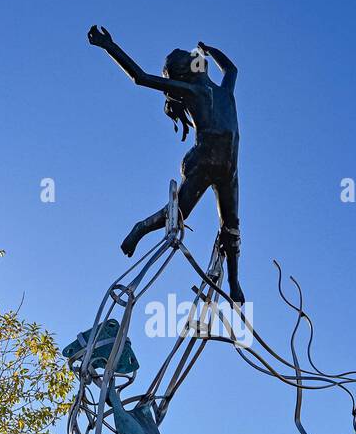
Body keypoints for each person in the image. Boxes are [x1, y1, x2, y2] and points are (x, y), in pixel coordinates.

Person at [87, 25, 245, 303]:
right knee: (180, 213)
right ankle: (140, 228)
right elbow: (141, 78)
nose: (195, 56)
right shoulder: (190, 90)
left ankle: (233, 280)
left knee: (231, 226)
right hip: (204, 162)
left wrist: (210, 49)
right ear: (186, 70)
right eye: (189, 56)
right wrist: (108, 46)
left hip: (229, 169)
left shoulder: (224, 91)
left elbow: (231, 69)